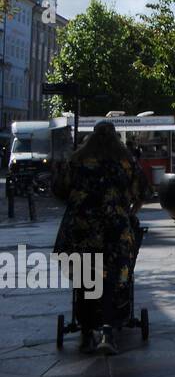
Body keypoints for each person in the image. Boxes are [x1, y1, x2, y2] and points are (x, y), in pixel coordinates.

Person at [53, 121, 146, 354]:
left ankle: (86, 328)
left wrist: (78, 202)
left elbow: (60, 189)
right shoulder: (126, 161)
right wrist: (128, 211)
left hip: (81, 228)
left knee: (84, 279)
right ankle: (107, 329)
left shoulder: (77, 160)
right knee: (112, 279)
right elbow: (142, 193)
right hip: (115, 229)